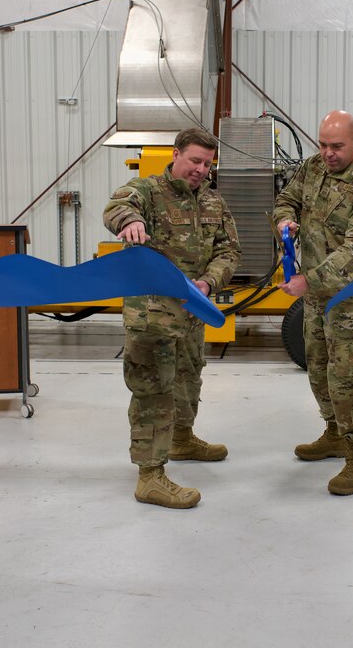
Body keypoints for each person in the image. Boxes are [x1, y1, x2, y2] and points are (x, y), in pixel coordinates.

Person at [103, 128, 241, 509]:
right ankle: (149, 476)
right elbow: (117, 206)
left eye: (207, 164)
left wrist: (209, 282)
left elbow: (230, 251)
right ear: (176, 154)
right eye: (195, 160)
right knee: (153, 392)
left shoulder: (213, 202)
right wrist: (130, 221)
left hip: (191, 314)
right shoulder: (148, 191)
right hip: (152, 317)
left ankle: (182, 439)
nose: (201, 169)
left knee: (187, 381)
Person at [273, 110, 353, 496]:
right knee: (318, 370)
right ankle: (333, 433)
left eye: (337, 146)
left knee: (348, 378)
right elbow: (286, 199)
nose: (328, 153)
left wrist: (308, 280)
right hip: (315, 297)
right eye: (323, 145)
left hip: (350, 300)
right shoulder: (314, 168)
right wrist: (285, 221)